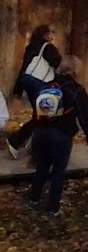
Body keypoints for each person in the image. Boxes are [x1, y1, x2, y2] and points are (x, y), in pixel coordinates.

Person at [27, 55, 88, 217]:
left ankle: (33, 200)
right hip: (61, 133)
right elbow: (84, 114)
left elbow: (37, 111)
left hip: (42, 131)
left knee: (42, 166)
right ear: (76, 69)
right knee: (58, 171)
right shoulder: (77, 89)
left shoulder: (46, 86)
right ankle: (52, 208)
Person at [7, 23, 62, 159]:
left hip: (28, 82)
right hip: (40, 84)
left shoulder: (31, 48)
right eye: (52, 32)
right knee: (44, 115)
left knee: (41, 115)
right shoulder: (48, 48)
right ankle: (17, 141)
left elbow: (23, 70)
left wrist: (17, 93)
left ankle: (30, 144)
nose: (53, 35)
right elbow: (57, 61)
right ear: (45, 34)